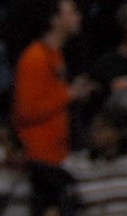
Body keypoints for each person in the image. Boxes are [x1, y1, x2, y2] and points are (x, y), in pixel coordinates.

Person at [11, 0, 94, 166]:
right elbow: (26, 110)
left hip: (59, 153)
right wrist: (69, 94)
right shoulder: (35, 58)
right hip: (40, 156)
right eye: (72, 13)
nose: (78, 18)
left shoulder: (56, 55)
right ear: (54, 20)